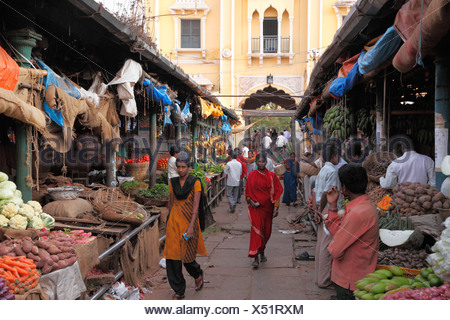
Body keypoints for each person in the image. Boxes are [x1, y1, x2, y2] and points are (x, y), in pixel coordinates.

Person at [324, 164, 379, 300]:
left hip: (350, 280)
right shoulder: (365, 207)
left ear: (344, 188)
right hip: (355, 276)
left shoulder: (358, 213)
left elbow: (335, 249)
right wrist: (332, 206)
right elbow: (339, 234)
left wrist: (334, 245)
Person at [164, 156, 207, 300]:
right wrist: (168, 220)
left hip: (189, 222)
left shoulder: (195, 182)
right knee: (172, 257)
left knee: (187, 258)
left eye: (183, 167)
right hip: (174, 223)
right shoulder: (173, 182)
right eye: (178, 167)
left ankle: (197, 274)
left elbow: (196, 207)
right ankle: (179, 290)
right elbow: (171, 202)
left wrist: (191, 227)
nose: (180, 170)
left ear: (189, 167)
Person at [310, 142, 342, 289]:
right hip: (328, 210)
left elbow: (315, 191)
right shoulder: (332, 171)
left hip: (321, 209)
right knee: (327, 246)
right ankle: (324, 280)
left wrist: (316, 210)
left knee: (321, 243)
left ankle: (318, 278)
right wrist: (320, 210)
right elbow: (326, 193)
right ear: (334, 156)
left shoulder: (323, 170)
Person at [245, 153, 283, 268]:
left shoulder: (272, 176)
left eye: (263, 162)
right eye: (259, 162)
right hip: (256, 209)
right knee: (256, 231)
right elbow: (248, 191)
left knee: (266, 232)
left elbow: (277, 191)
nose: (261, 164)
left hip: (268, 209)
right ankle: (255, 257)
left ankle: (262, 252)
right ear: (256, 162)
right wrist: (250, 201)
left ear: (266, 163)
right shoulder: (251, 175)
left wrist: (276, 207)